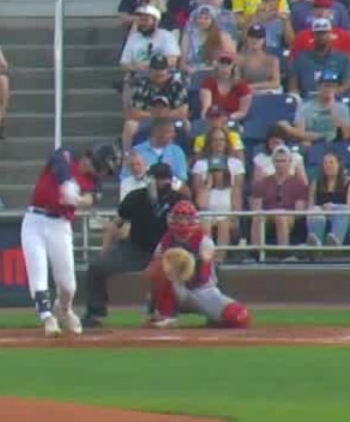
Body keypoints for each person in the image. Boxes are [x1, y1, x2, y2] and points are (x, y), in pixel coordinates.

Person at [21, 143, 121, 338]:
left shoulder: (94, 182)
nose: (100, 173)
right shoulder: (67, 156)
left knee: (68, 286)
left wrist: (77, 199)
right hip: (35, 221)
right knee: (38, 272)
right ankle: (47, 316)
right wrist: (66, 183)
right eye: (101, 168)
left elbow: (91, 199)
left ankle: (64, 310)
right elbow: (58, 162)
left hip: (60, 225)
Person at [82, 161, 185, 329]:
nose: (162, 183)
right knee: (97, 267)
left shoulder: (178, 199)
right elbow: (117, 223)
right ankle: (95, 312)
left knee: (163, 272)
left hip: (167, 251)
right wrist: (105, 249)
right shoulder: (136, 197)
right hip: (135, 248)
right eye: (158, 179)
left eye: (165, 179)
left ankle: (161, 312)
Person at [144, 201, 252, 329]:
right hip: (177, 290)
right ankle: (166, 315)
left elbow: (202, 276)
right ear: (173, 219)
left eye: (186, 218)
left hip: (202, 290)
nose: (183, 222)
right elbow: (153, 270)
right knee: (158, 269)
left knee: (240, 317)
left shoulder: (204, 241)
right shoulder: (165, 241)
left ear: (193, 220)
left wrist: (187, 262)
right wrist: (154, 296)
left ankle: (215, 319)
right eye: (179, 218)